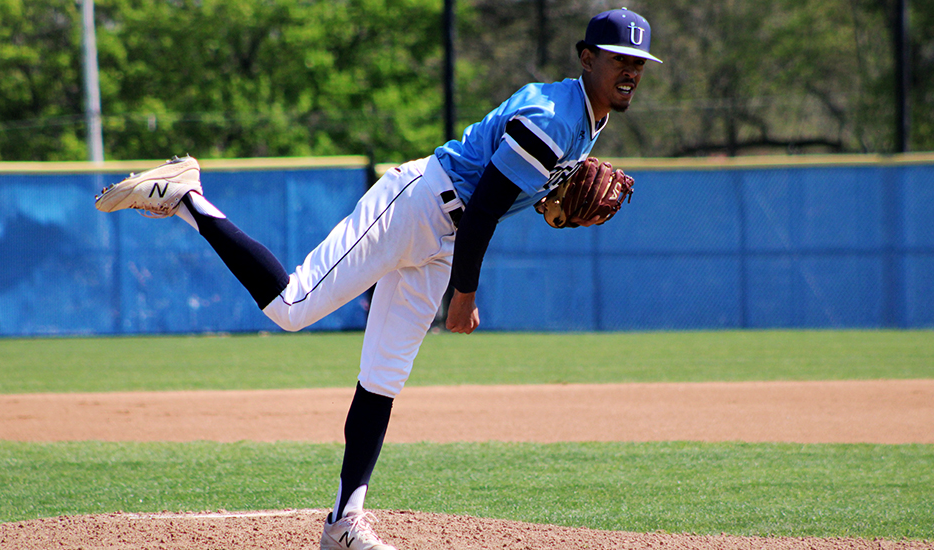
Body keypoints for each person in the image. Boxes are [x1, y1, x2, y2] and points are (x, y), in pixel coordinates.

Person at [95, 8, 661, 550]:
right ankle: (188, 196)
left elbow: (501, 195)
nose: (630, 71)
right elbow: (485, 209)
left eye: (638, 62)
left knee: (383, 378)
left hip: (443, 236)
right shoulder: (556, 119)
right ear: (587, 58)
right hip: (415, 207)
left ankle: (343, 523)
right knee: (291, 308)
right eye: (619, 59)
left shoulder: (588, 117)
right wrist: (464, 297)